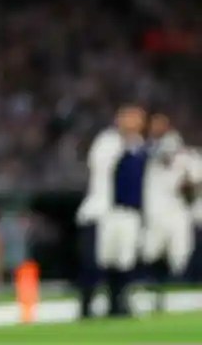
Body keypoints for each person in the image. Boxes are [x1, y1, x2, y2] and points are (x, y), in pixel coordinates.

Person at [75, 103, 146, 319]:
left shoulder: (139, 146)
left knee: (123, 260)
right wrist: (122, 145)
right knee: (97, 261)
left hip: (128, 212)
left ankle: (118, 303)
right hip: (105, 211)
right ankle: (87, 306)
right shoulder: (108, 142)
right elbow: (99, 167)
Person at [141, 113, 194, 313]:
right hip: (154, 209)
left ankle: (176, 289)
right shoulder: (145, 150)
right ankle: (154, 290)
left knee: (179, 251)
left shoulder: (181, 153)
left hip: (175, 209)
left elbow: (190, 180)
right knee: (151, 250)